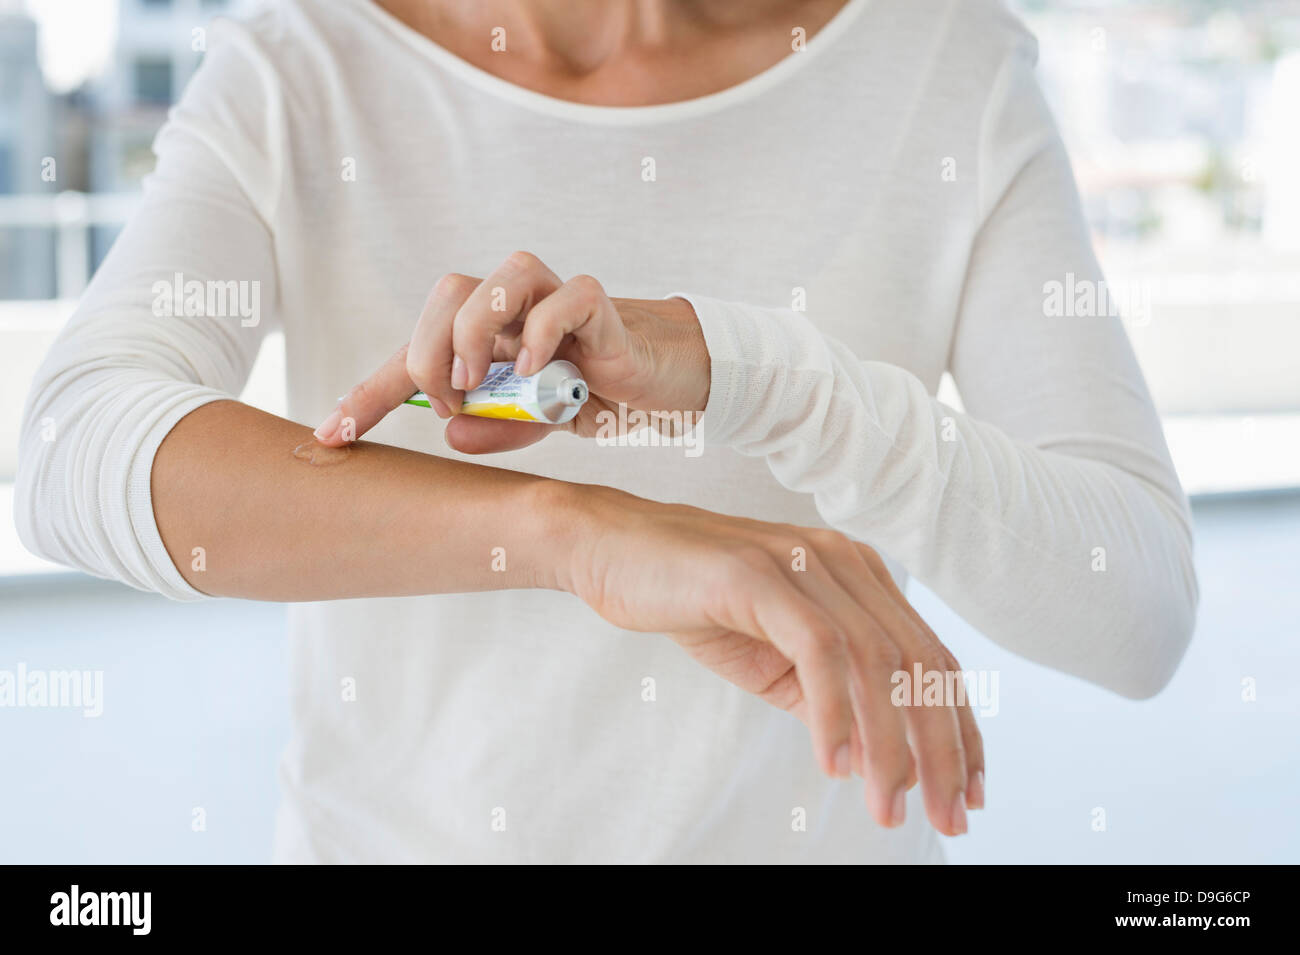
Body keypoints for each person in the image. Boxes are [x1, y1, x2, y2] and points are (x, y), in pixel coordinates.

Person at [16, 0, 1198, 863]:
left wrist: (762, 377)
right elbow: (75, 449)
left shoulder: (946, 63)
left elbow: (1136, 608)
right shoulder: (298, 66)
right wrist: (580, 532)